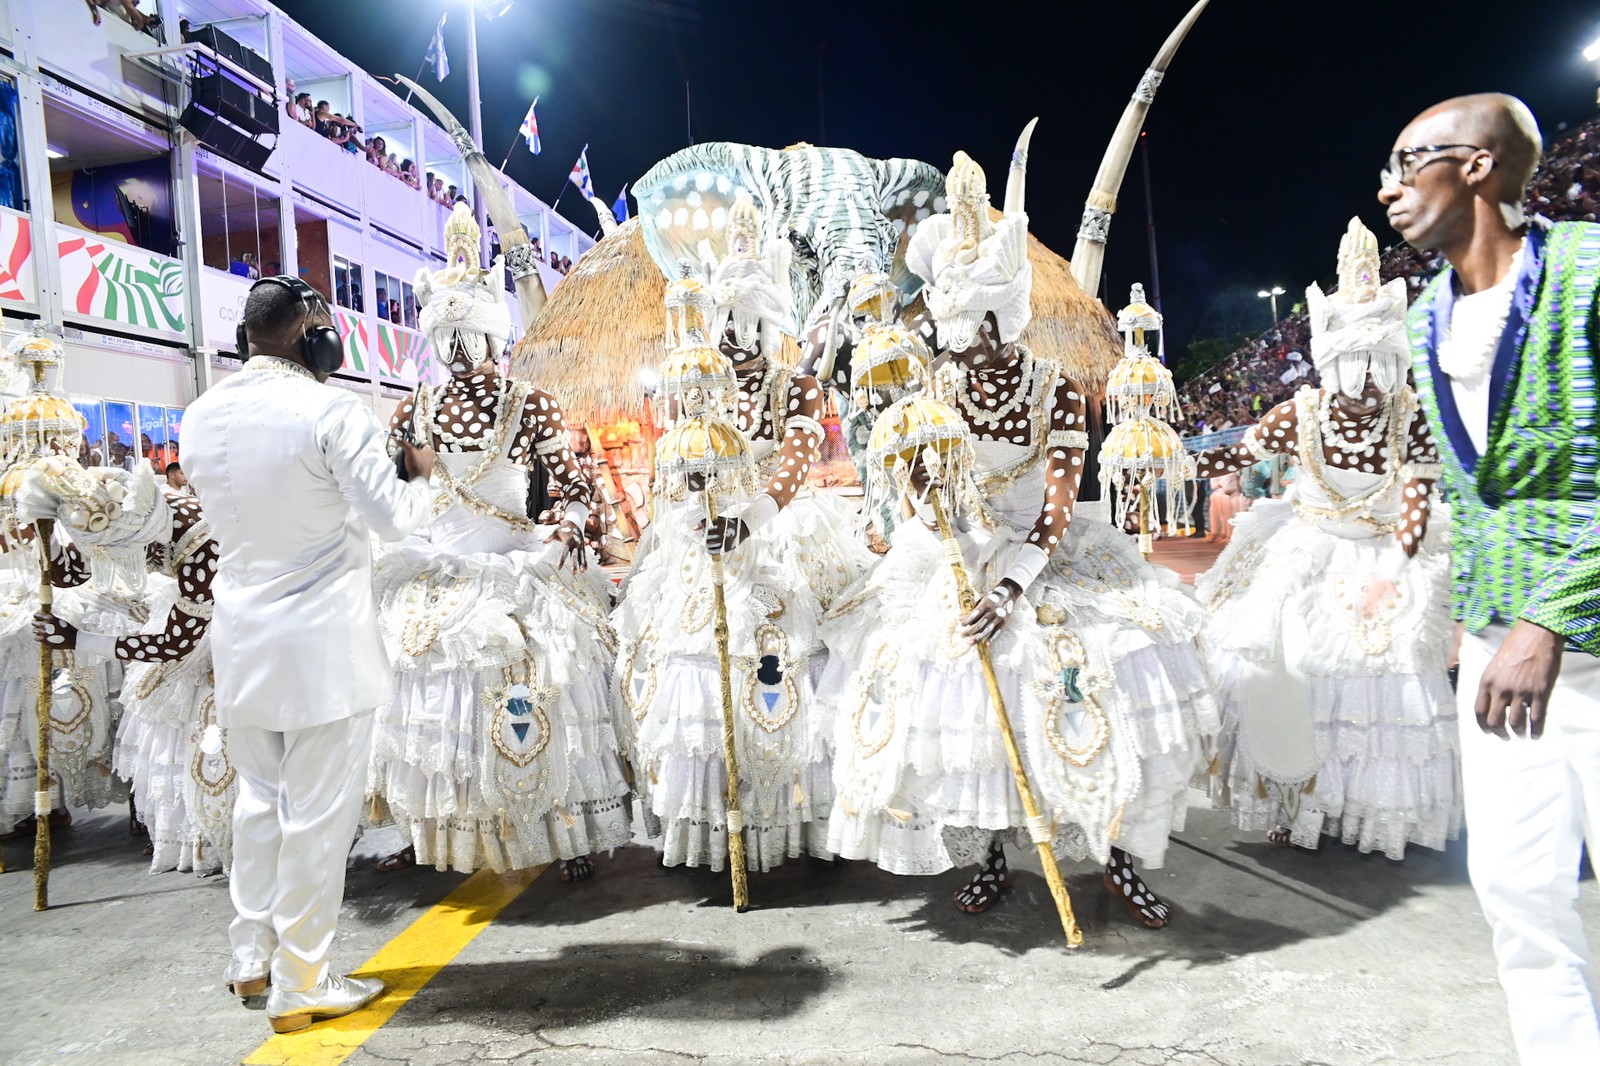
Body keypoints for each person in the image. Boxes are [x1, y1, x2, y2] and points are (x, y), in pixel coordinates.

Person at [825, 142, 1218, 927]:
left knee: (1106, 669)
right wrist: (923, 485)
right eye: (952, 327)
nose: (963, 346)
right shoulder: (935, 387)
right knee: (958, 694)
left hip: (1050, 556)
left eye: (976, 327)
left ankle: (1116, 857)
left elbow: (1058, 509)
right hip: (961, 551)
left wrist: (1009, 588)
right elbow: (923, 495)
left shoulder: (1061, 392)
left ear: (1007, 318)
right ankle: (994, 856)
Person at [1381, 92, 1600, 1064]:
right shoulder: (1425, 315)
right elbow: (1478, 494)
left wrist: (1550, 619)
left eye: (1402, 162)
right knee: (1515, 892)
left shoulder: (1590, 270)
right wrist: (1469, 633)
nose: (1385, 189)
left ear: (1473, 165)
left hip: (1577, 638)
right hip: (1493, 650)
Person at [178, 275, 435, 1033]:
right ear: (310, 335)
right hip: (321, 647)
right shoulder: (330, 410)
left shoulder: (199, 415)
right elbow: (394, 523)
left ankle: (250, 957)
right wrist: (421, 477)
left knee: (259, 803)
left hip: (243, 640)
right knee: (318, 819)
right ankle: (302, 982)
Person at [366, 204, 631, 880]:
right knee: (424, 705)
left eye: (470, 336)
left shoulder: (529, 402)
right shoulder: (415, 408)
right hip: (440, 567)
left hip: (521, 563)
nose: (457, 351)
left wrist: (559, 540)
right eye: (446, 337)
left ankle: (562, 831)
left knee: (544, 684)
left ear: (492, 336)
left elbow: (574, 488)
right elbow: (387, 493)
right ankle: (435, 833)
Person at [615, 191, 874, 873]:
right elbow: (684, 459)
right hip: (706, 534)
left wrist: (751, 519)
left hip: (780, 530)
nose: (729, 334)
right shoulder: (704, 387)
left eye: (743, 321)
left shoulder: (798, 387)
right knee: (688, 661)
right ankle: (715, 810)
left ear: (767, 325)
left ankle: (800, 816)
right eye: (722, 320)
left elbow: (793, 464)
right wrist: (701, 509)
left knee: (801, 660)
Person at [1191, 218, 1458, 860]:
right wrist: (1158, 457)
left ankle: (1368, 808)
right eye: (1357, 370)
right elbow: (1228, 455)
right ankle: (1289, 798)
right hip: (1301, 551)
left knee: (1385, 686)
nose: (1369, 388)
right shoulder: (1297, 413)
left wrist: (1394, 570)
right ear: (1332, 362)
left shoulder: (1411, 416)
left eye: (1380, 371)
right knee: (1284, 674)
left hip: (1385, 555)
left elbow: (1418, 500)